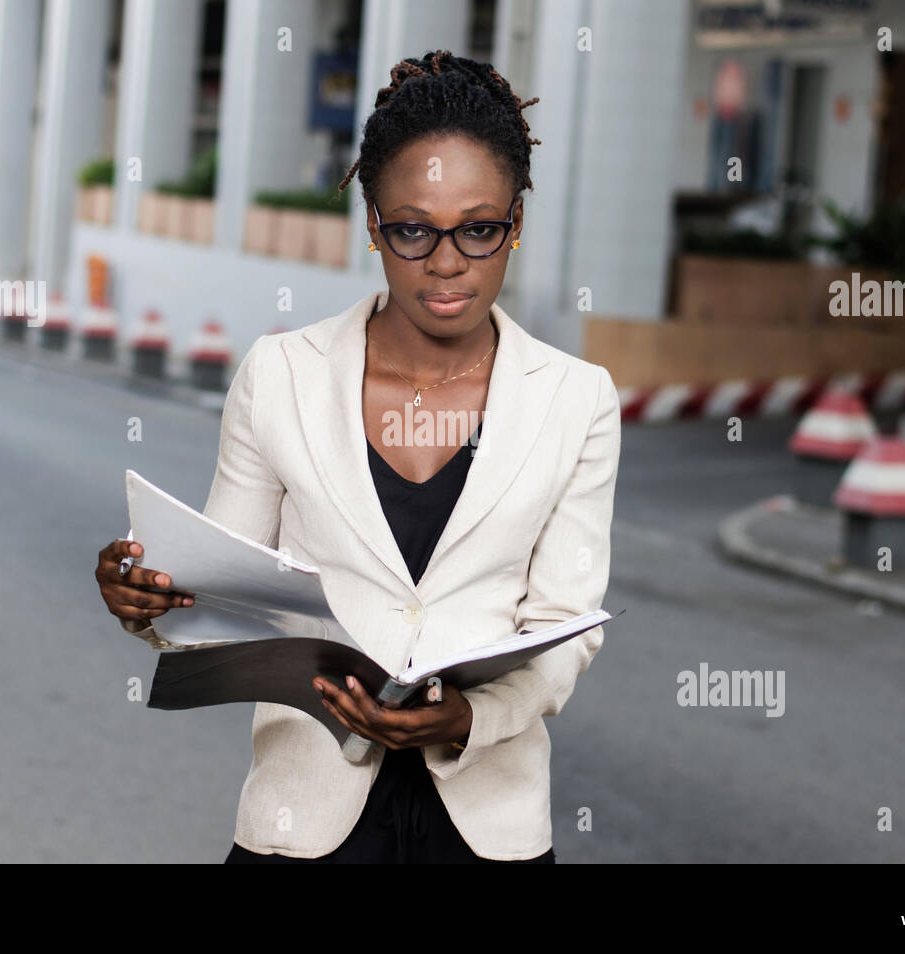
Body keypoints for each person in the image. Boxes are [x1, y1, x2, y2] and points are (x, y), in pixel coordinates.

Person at [94, 50, 621, 863]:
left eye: (478, 229)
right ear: (373, 225)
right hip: (301, 827)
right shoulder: (282, 377)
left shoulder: (577, 401)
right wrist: (152, 599)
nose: (447, 263)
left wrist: (470, 718)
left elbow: (564, 632)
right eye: (413, 229)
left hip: (489, 831)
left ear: (515, 223)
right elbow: (220, 598)